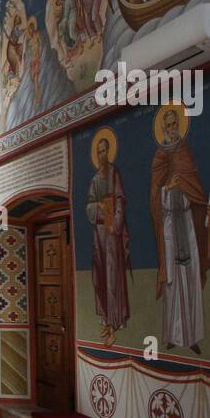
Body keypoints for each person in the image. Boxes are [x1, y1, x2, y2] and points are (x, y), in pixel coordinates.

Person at [150, 107, 210, 354]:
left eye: (173, 124)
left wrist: (204, 210)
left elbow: (195, 189)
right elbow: (155, 197)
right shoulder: (159, 157)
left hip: (188, 225)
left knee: (189, 282)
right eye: (167, 126)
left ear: (178, 124)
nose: (171, 129)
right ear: (163, 129)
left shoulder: (186, 153)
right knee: (173, 285)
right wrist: (168, 188)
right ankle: (172, 335)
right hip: (169, 227)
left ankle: (191, 337)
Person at [86, 133, 130, 346]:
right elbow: (88, 206)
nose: (101, 155)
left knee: (112, 277)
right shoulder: (95, 179)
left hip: (111, 233)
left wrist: (116, 223)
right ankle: (105, 318)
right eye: (98, 152)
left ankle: (114, 323)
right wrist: (99, 207)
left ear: (108, 152)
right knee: (100, 277)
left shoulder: (114, 174)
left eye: (104, 151)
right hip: (99, 234)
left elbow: (120, 200)